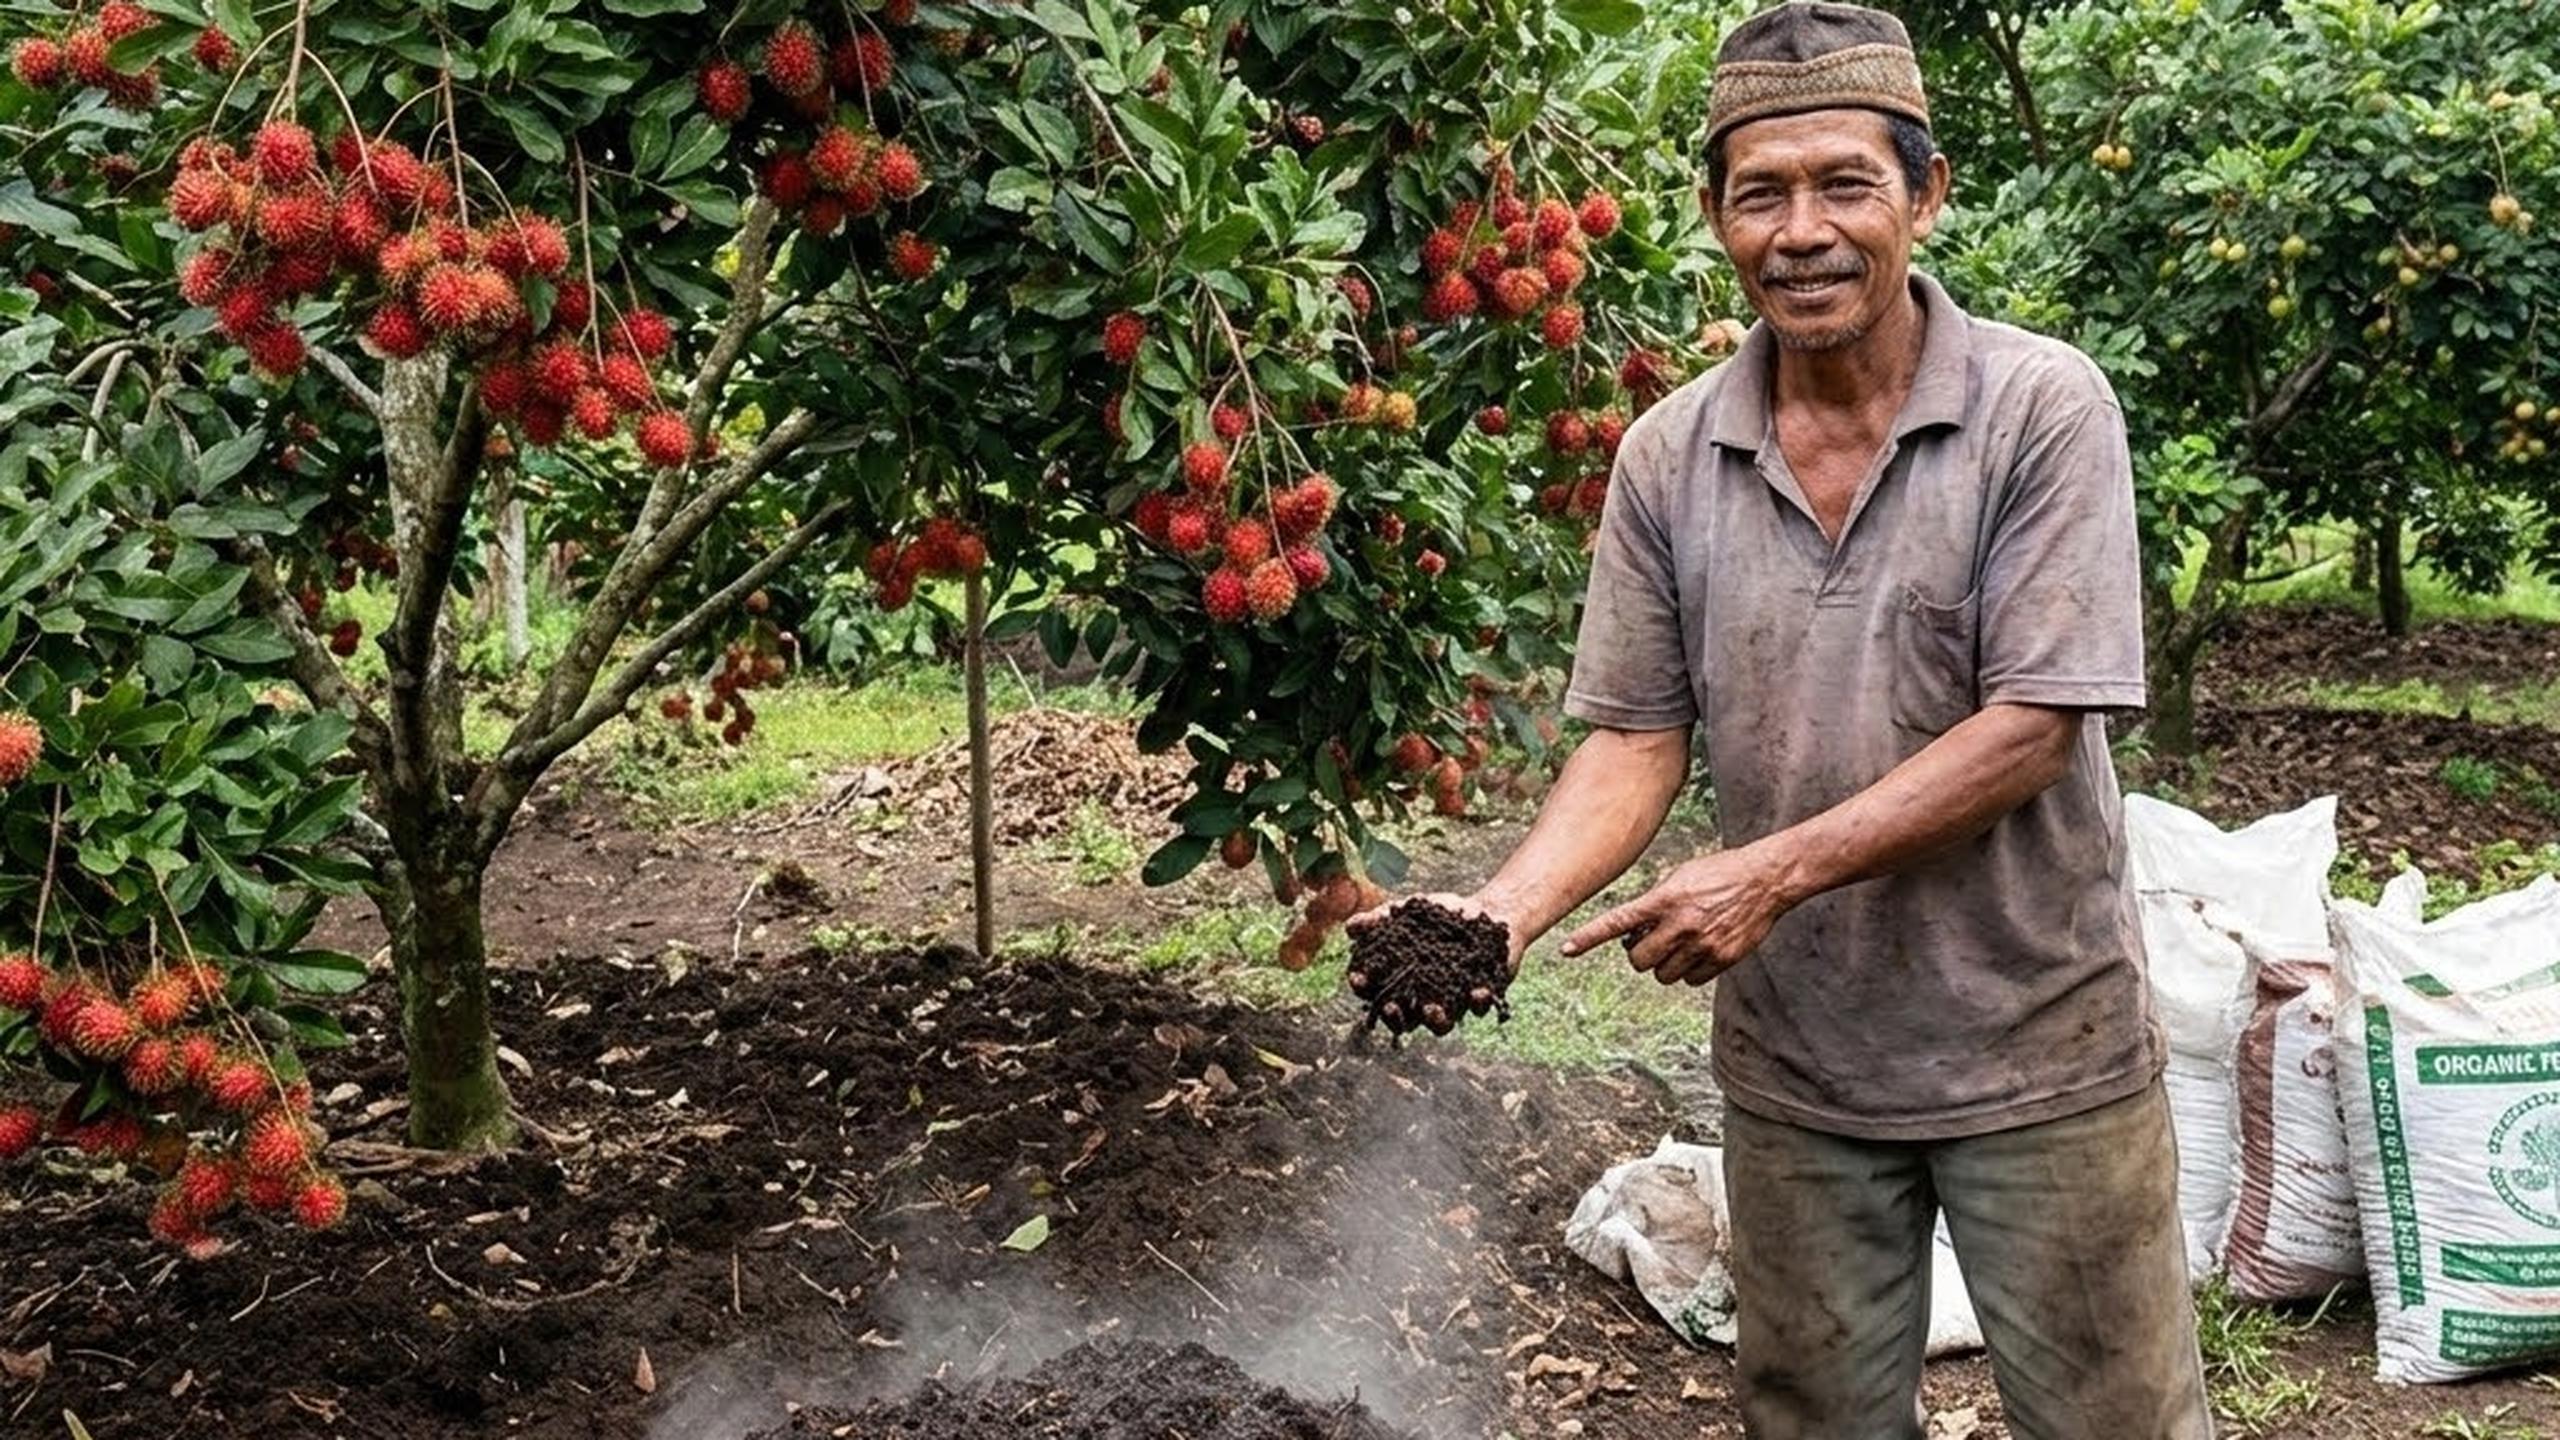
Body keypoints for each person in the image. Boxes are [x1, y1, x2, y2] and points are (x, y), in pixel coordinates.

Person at [1355, 4, 2214, 1436]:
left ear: (1924, 196)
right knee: (1812, 1419)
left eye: (1845, 185)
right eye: (1761, 193)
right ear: (1713, 215)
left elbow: (2033, 726)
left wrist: (1768, 871)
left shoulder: (2039, 410)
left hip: (2036, 1044)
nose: (1801, 230)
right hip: (1801, 1067)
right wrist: (1496, 915)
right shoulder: (1669, 453)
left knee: (2117, 1422)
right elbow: (1634, 736)